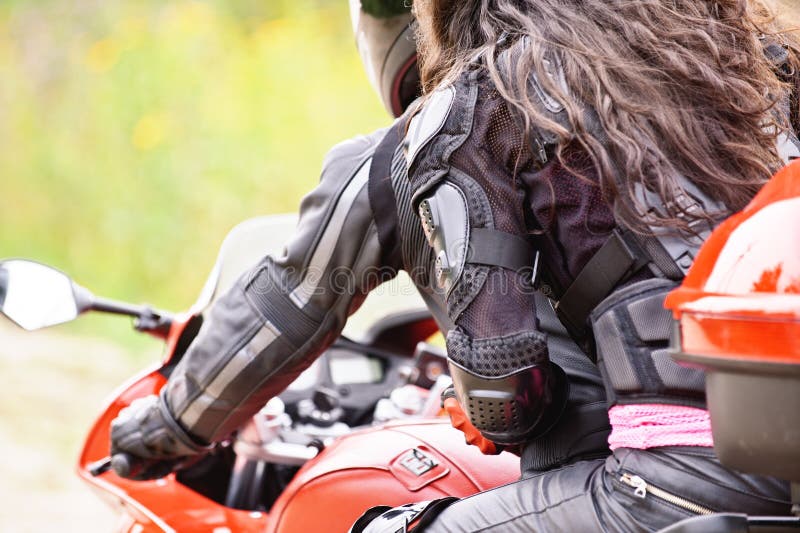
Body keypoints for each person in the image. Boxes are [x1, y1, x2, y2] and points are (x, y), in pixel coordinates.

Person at [109, 0, 610, 506]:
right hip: (650, 430)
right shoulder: (631, 97)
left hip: (595, 479)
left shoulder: (410, 152)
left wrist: (164, 425)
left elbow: (286, 307)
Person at [352, 0, 800, 531]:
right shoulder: (753, 54)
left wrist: (473, 404)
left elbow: (507, 403)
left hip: (679, 483)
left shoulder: (480, 107)